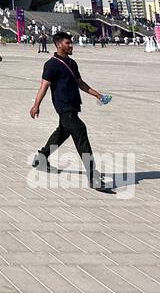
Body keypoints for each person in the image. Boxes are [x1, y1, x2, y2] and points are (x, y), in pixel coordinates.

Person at [29, 31, 115, 193]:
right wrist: (36, 105)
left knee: (62, 133)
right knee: (80, 132)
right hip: (64, 107)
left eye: (71, 43)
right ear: (59, 44)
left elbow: (80, 83)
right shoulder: (51, 65)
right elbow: (44, 86)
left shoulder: (72, 63)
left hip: (73, 106)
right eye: (68, 43)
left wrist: (97, 94)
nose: (71, 45)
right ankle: (93, 176)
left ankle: (41, 158)